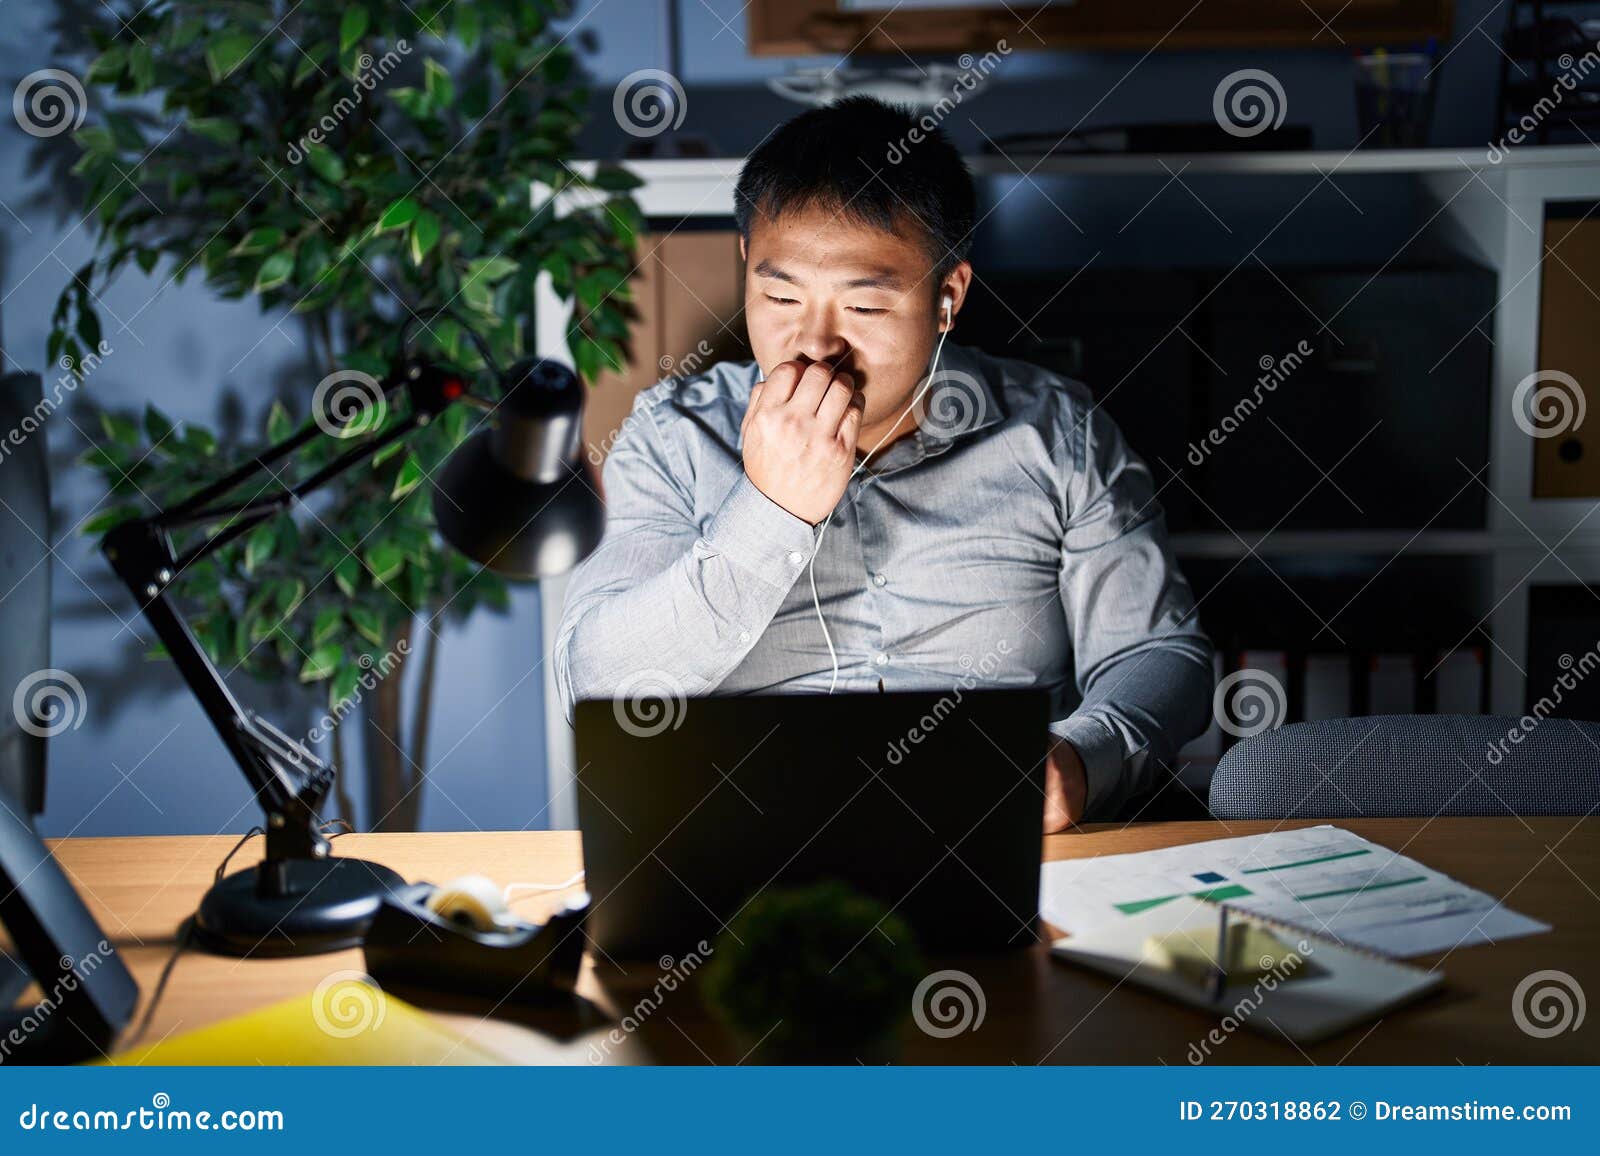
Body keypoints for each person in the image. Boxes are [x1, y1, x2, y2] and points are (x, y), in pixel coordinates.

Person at [554, 96, 1213, 828]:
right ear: (745, 264)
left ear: (948, 296)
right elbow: (599, 684)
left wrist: (1082, 763)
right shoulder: (672, 436)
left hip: (995, 839)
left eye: (864, 310)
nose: (814, 345)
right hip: (742, 840)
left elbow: (1160, 652)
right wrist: (772, 511)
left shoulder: (1057, 433)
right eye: (778, 295)